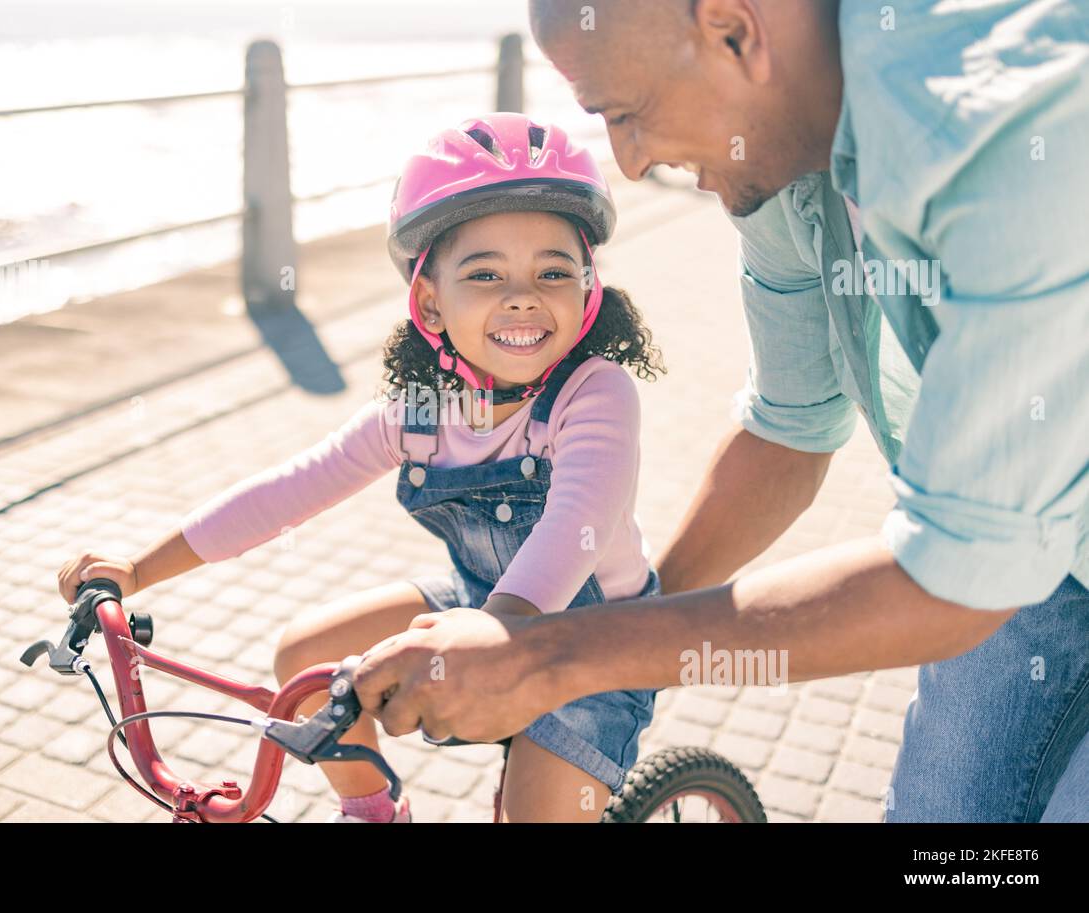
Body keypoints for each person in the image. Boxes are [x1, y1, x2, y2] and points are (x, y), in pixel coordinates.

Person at [352, 0, 1089, 822]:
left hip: (986, 558)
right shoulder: (778, 154)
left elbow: (956, 576)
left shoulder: (996, 124)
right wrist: (596, 666)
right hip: (1031, 544)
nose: (629, 165)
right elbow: (791, 429)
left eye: (625, 115)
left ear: (735, 30)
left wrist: (551, 659)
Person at [57, 113, 668, 822]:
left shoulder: (596, 392)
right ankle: (375, 811)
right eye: (486, 273)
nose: (523, 294)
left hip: (596, 648)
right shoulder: (419, 412)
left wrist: (486, 640)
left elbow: (576, 525)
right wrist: (137, 569)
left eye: (554, 271)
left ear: (589, 288)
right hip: (479, 607)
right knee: (305, 655)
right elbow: (289, 490)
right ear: (431, 303)